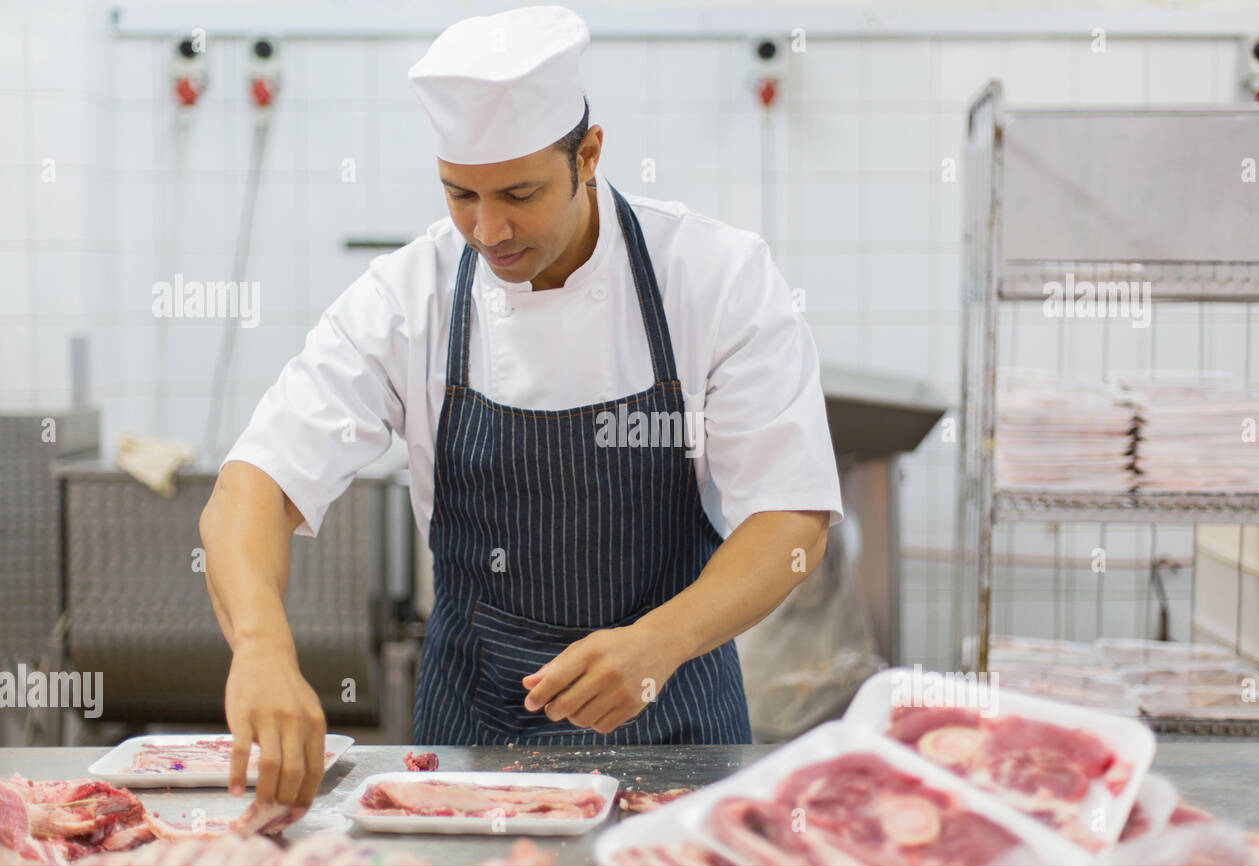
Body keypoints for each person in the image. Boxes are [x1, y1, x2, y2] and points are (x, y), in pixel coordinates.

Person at [199, 5, 843, 813]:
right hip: (473, 752)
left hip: (679, 734)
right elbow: (251, 486)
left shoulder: (714, 277)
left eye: (520, 193)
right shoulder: (411, 296)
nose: (489, 229)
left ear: (590, 154)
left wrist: (658, 643)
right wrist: (259, 647)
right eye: (459, 194)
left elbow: (792, 521)